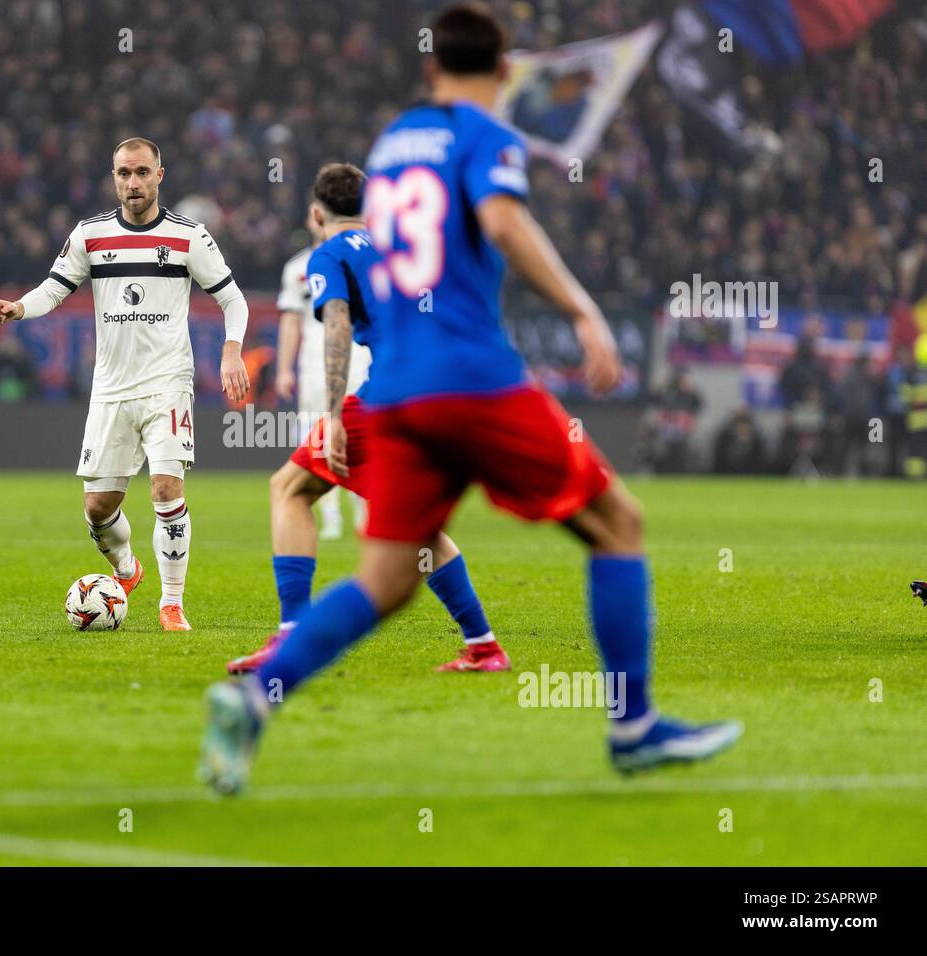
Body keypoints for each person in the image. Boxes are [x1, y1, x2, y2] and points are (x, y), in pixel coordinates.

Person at [200, 3, 742, 793]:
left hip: (395, 394)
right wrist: (583, 310)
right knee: (619, 523)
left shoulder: (391, 148)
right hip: (472, 376)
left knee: (386, 581)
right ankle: (634, 726)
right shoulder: (489, 137)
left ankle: (254, 700)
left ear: (430, 69)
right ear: (503, 71)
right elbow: (503, 220)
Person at [228, 163, 510, 676]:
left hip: (390, 396)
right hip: (445, 388)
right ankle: (484, 646)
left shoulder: (329, 252)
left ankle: (290, 638)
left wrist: (333, 414)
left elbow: (335, 324)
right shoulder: (396, 249)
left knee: (288, 488)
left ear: (317, 213)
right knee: (415, 524)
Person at [0, 137, 251, 631]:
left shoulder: (189, 236)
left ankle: (172, 604)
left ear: (160, 175)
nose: (133, 183)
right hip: (111, 388)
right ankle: (128, 570)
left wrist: (232, 350)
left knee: (167, 487)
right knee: (97, 507)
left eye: (142, 173)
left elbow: (233, 300)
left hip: (168, 382)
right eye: (124, 174)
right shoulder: (90, 235)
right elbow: (54, 288)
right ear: (114, 178)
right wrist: (19, 307)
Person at [274, 210, 372, 540]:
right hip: (313, 367)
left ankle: (365, 513)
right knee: (315, 440)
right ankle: (330, 518)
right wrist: (284, 368)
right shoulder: (296, 267)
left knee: (357, 436)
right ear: (310, 218)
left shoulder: (363, 257)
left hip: (358, 359)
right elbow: (290, 321)